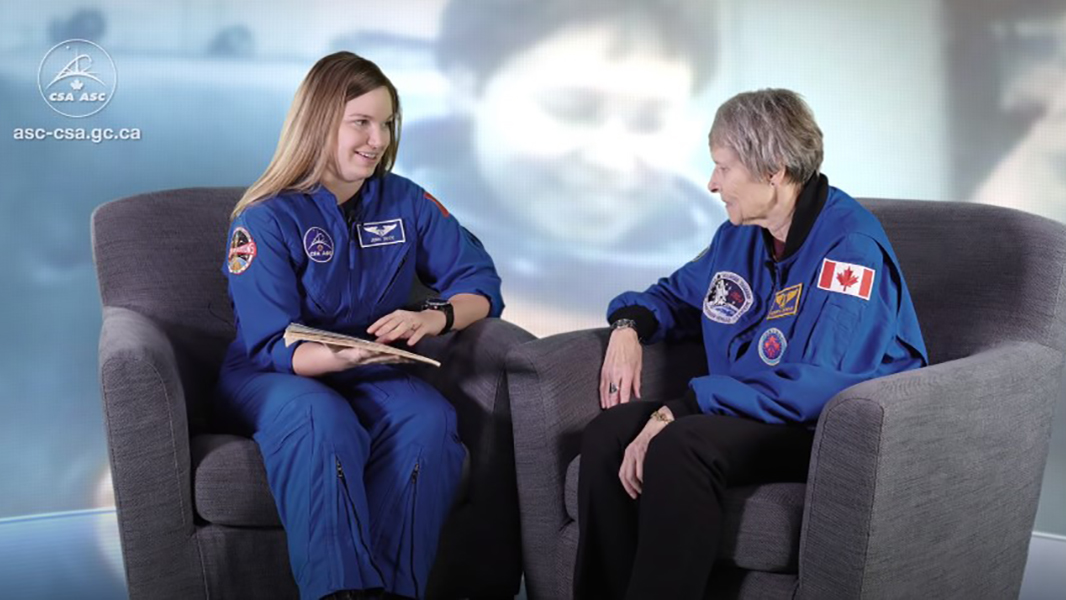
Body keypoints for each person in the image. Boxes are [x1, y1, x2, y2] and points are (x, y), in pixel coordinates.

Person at [574, 89, 928, 599]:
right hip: (745, 407)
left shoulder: (851, 250)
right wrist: (628, 327)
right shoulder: (739, 235)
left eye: (723, 167)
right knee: (607, 435)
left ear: (773, 170)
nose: (712, 183)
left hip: (820, 427)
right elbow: (674, 296)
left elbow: (816, 386)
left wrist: (683, 407)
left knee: (683, 444)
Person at [214, 51, 503, 600]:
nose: (377, 140)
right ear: (320, 122)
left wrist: (434, 316)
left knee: (429, 418)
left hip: (368, 365)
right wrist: (337, 357)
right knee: (321, 419)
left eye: (386, 123)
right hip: (277, 373)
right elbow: (273, 341)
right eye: (361, 123)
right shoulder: (265, 218)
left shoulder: (406, 201)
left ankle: (394, 591)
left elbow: (481, 284)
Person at [401, 0, 725, 335]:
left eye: (650, 122)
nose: (610, 159)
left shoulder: (721, 273)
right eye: (571, 109)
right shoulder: (388, 247)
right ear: (468, 85)